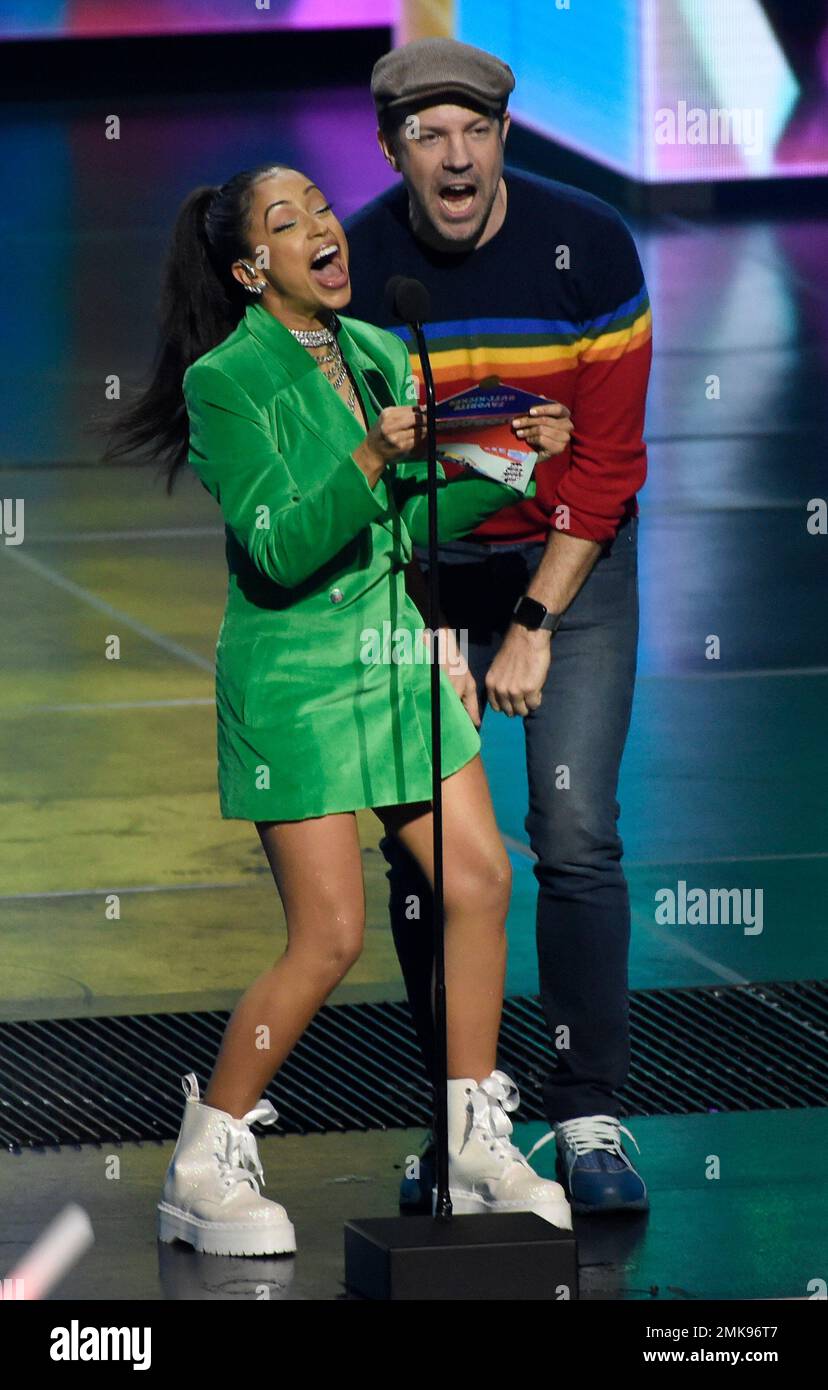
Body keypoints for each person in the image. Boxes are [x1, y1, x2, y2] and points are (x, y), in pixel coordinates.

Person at [104, 161, 573, 1256]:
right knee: (329, 933)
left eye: (322, 206)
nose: (323, 225)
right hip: (298, 679)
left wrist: (504, 463)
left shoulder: (370, 351)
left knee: (479, 878)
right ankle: (205, 1154)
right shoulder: (227, 380)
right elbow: (277, 544)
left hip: (392, 655)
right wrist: (371, 453)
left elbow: (408, 511)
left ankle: (469, 1129)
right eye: (288, 219)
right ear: (248, 265)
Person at [344, 37, 652, 1214]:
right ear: (392, 149)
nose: (456, 156)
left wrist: (532, 620)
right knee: (429, 853)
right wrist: (423, 627)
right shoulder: (356, 266)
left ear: (505, 136)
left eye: (474, 131)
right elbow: (358, 478)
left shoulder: (591, 247)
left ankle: (587, 1114)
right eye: (429, 134)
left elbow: (612, 458)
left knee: (573, 831)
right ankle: (459, 1118)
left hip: (565, 564)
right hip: (416, 577)